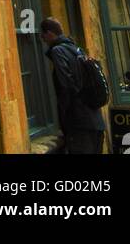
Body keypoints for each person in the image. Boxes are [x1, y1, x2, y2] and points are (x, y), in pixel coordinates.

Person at [39, 17, 105, 155]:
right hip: (96, 121)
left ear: (50, 33)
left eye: (43, 35)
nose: (43, 39)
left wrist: (64, 117)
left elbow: (66, 85)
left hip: (79, 124)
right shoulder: (77, 49)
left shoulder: (58, 51)